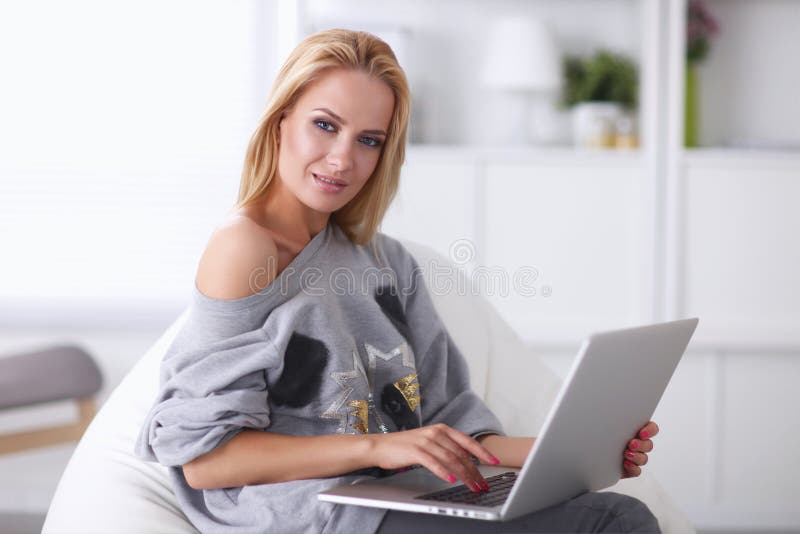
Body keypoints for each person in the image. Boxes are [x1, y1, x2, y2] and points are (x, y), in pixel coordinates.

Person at [135, 29, 661, 533]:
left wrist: (577, 449)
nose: (343, 159)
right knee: (614, 523)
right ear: (281, 121)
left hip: (402, 493)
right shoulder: (246, 247)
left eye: (368, 140)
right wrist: (380, 448)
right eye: (324, 125)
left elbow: (449, 429)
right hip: (310, 513)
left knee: (613, 510)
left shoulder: (387, 264)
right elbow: (205, 462)